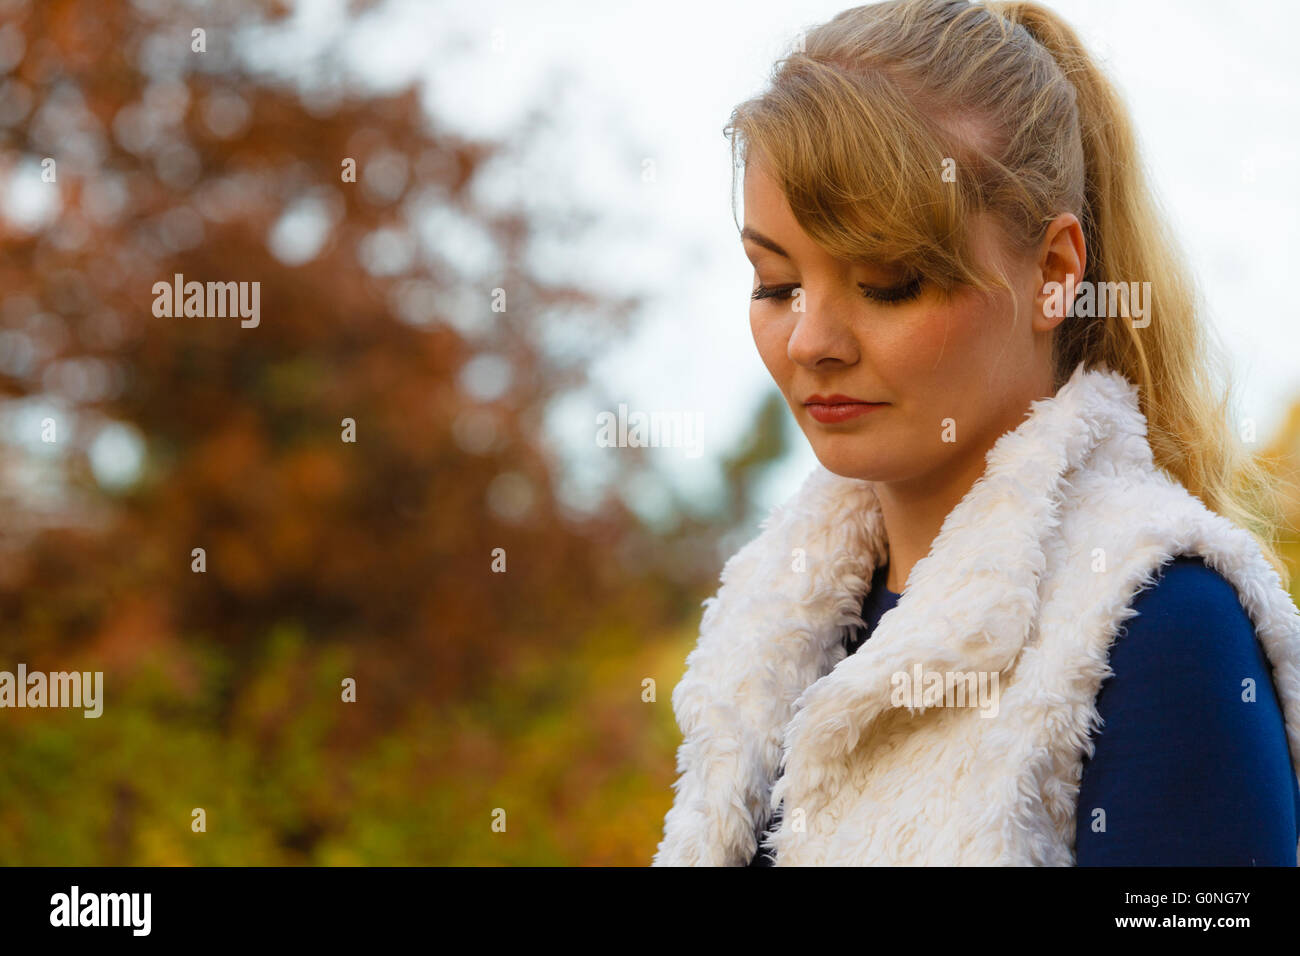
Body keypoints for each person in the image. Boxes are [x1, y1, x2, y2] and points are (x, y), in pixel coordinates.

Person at [652, 0, 1300, 866]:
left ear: (1054, 274)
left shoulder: (1163, 629)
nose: (810, 340)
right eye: (774, 283)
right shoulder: (763, 626)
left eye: (888, 282)